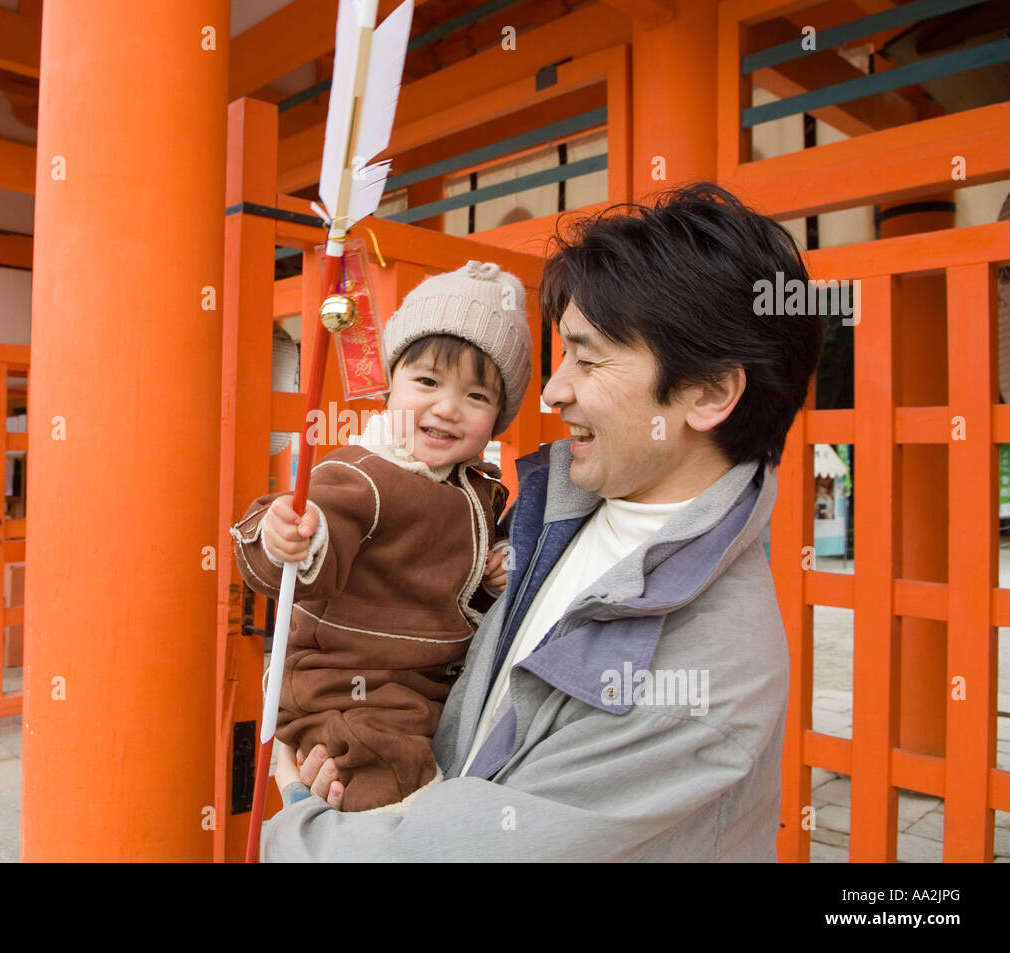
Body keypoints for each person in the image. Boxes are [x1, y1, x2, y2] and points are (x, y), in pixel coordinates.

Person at [265, 182, 824, 860]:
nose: (555, 392)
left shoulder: (710, 671)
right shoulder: (550, 509)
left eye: (587, 360)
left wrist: (300, 821)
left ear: (706, 393)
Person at [231, 260, 532, 813]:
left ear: (499, 417)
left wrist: (489, 583)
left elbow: (452, 595)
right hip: (349, 688)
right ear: (390, 382)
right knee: (390, 791)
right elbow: (309, 537)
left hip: (425, 687)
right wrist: (287, 539)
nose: (447, 407)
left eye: (477, 397)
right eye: (427, 381)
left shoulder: (478, 489)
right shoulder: (366, 474)